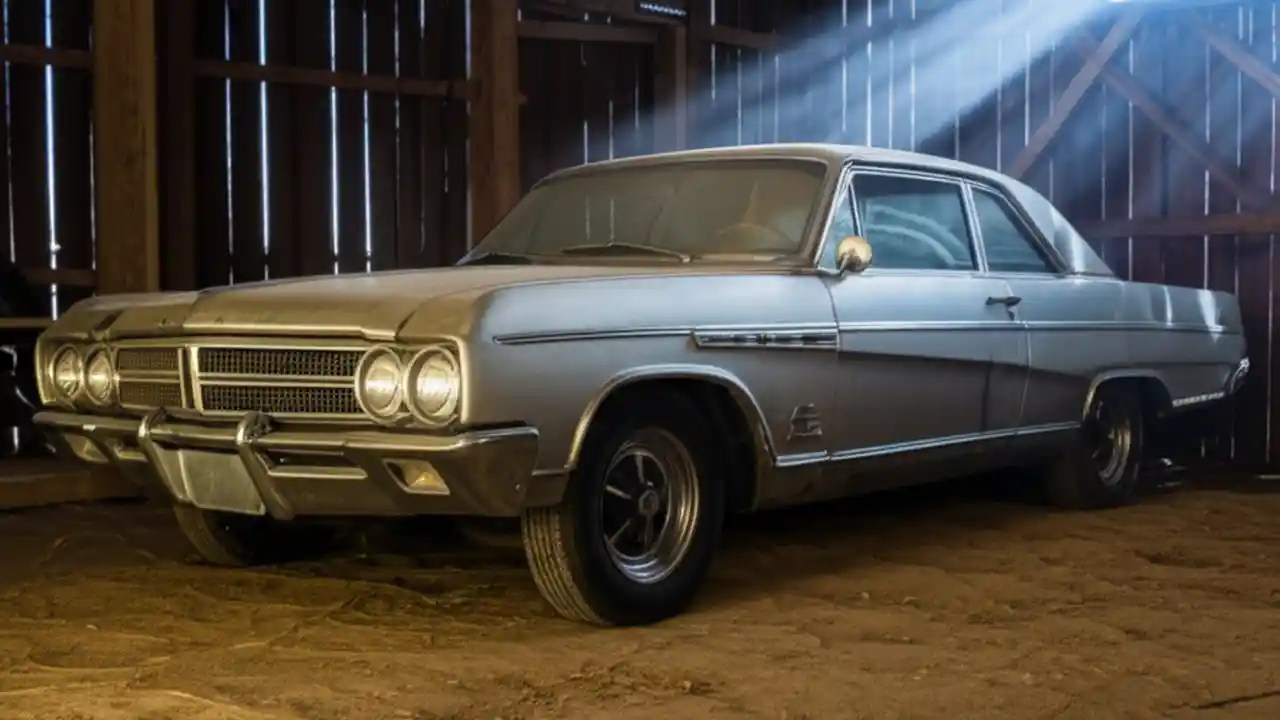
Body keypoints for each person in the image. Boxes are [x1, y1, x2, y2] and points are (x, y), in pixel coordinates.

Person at [0, 255, 46, 457]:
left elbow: (27, 311)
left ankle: (36, 438)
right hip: (15, 345)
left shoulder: (8, 277)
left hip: (21, 344)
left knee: (26, 375)